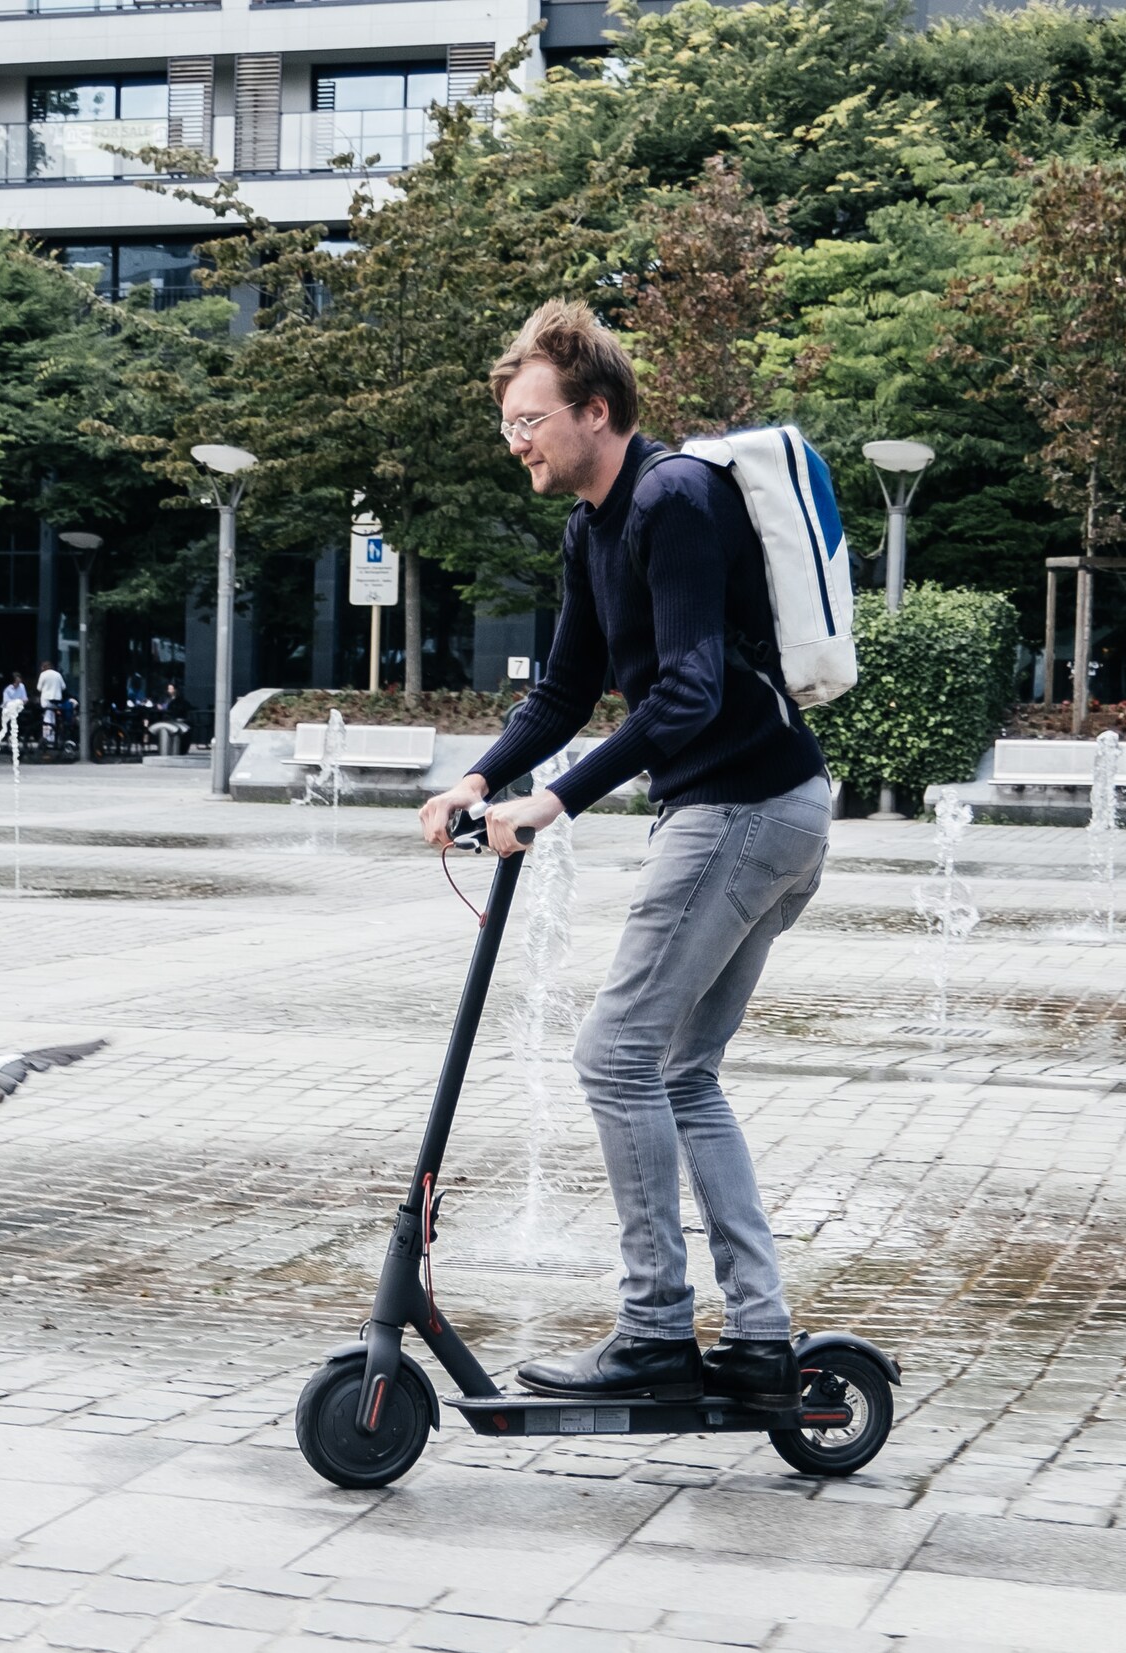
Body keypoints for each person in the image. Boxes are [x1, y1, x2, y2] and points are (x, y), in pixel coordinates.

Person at [417, 301, 832, 1412]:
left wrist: (549, 804)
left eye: (530, 421)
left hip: (742, 807)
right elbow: (561, 688)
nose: (517, 442)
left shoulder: (673, 500)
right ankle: (755, 1335)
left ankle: (653, 1327)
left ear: (595, 411)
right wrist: (475, 779)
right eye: (506, 424)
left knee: (613, 1059)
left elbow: (692, 688)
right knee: (678, 1073)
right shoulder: (591, 526)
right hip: (766, 807)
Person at [37, 660, 66, 746]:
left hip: (46, 699)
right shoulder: (58, 674)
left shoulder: (43, 674)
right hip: (57, 699)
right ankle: (54, 736)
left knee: (47, 717)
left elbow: (39, 688)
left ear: (44, 667)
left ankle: (47, 737)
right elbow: (63, 687)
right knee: (54, 717)